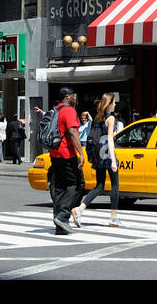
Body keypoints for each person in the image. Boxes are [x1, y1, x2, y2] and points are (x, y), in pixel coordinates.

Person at [72, 92, 121, 228]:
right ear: (109, 103)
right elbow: (110, 139)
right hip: (107, 154)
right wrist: (112, 160)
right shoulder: (110, 118)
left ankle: (80, 209)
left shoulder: (98, 118)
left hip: (98, 155)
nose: (116, 104)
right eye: (114, 102)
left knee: (99, 186)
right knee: (115, 185)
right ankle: (113, 218)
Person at [48, 86, 85, 235]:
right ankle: (63, 216)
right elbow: (72, 132)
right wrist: (80, 153)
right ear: (68, 96)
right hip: (66, 153)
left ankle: (59, 224)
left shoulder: (55, 109)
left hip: (54, 153)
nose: (75, 98)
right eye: (74, 96)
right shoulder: (69, 110)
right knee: (77, 184)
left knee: (60, 188)